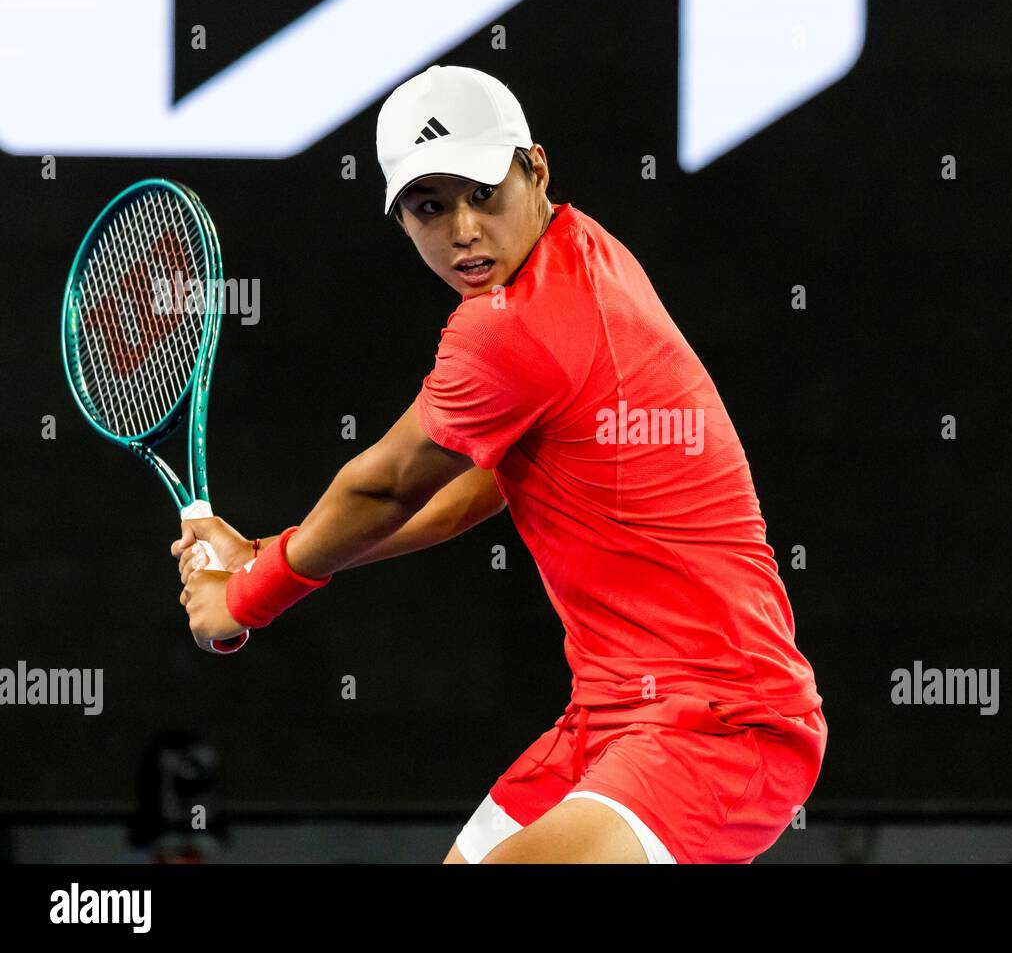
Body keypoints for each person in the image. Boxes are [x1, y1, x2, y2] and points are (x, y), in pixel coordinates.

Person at [174, 64, 826, 864]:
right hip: (610, 716)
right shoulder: (582, 251)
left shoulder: (514, 328)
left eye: (484, 192)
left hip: (724, 725)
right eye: (429, 206)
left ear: (535, 169)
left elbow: (386, 483)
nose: (463, 229)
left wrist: (247, 594)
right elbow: (449, 499)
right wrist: (271, 554)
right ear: (402, 220)